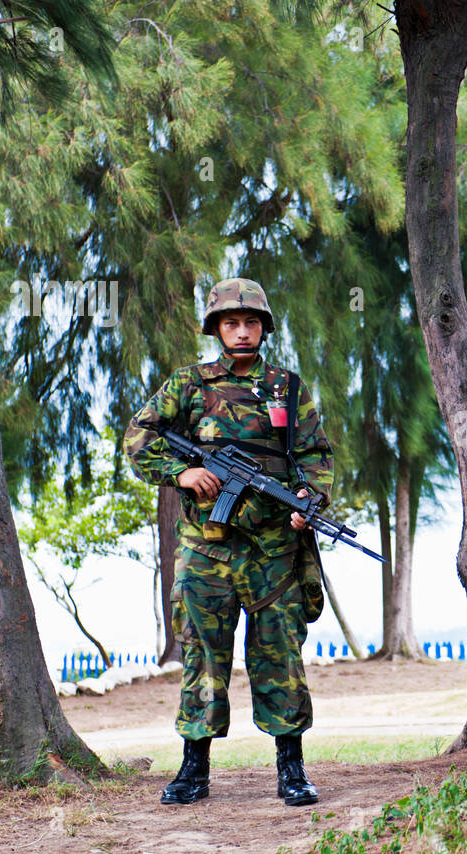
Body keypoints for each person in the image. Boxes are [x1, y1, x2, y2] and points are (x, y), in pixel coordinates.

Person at [123, 277, 332, 807]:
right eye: (231, 323)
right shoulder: (189, 384)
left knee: (280, 654)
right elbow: (139, 437)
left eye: (251, 322)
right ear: (216, 328)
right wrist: (182, 473)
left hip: (272, 549)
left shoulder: (286, 386)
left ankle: (292, 768)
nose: (242, 332)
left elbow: (314, 453)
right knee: (202, 655)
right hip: (206, 547)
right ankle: (193, 771)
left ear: (264, 327)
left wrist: (310, 499)